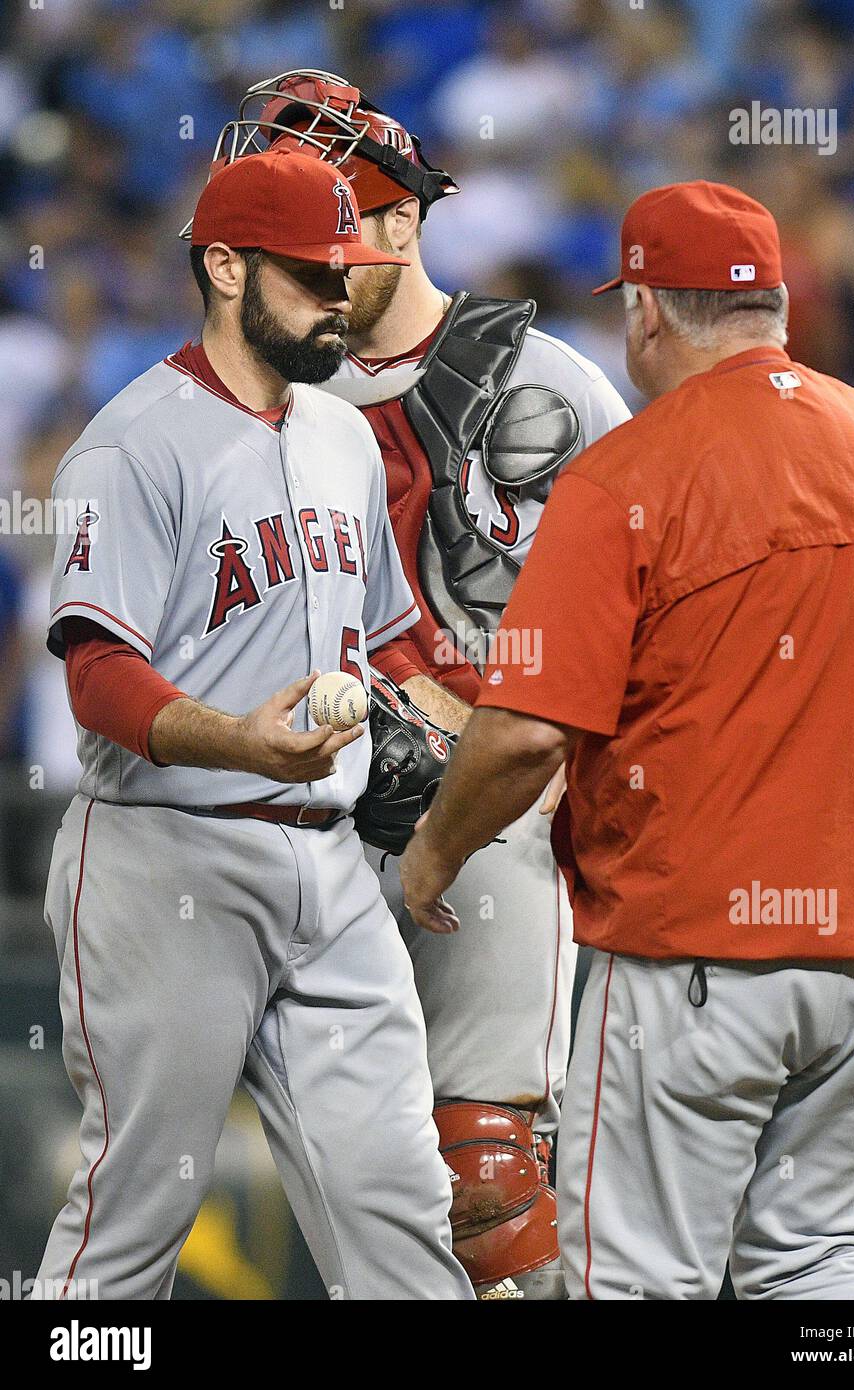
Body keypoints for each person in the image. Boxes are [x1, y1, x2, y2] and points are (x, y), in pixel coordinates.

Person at [400, 180, 854, 1300]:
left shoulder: (625, 474)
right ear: (778, 311)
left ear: (647, 312)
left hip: (703, 943)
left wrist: (431, 856)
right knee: (818, 1253)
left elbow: (522, 736)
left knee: (637, 1278)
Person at [208, 69, 632, 1295]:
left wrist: (505, 720)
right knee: (357, 1197)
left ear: (401, 224)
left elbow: (638, 624)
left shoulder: (550, 386)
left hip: (492, 816)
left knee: (488, 1177)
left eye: (330, 216)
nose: (304, 247)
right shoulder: (253, 393)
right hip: (300, 820)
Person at [32, 147, 473, 1302]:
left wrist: (457, 750)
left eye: (346, 272)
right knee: (131, 1224)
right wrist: (237, 739)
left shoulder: (338, 436)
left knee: (400, 1214)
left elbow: (384, 646)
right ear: (225, 267)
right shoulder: (136, 444)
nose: (341, 297)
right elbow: (97, 672)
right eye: (312, 275)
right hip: (166, 852)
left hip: (330, 868)